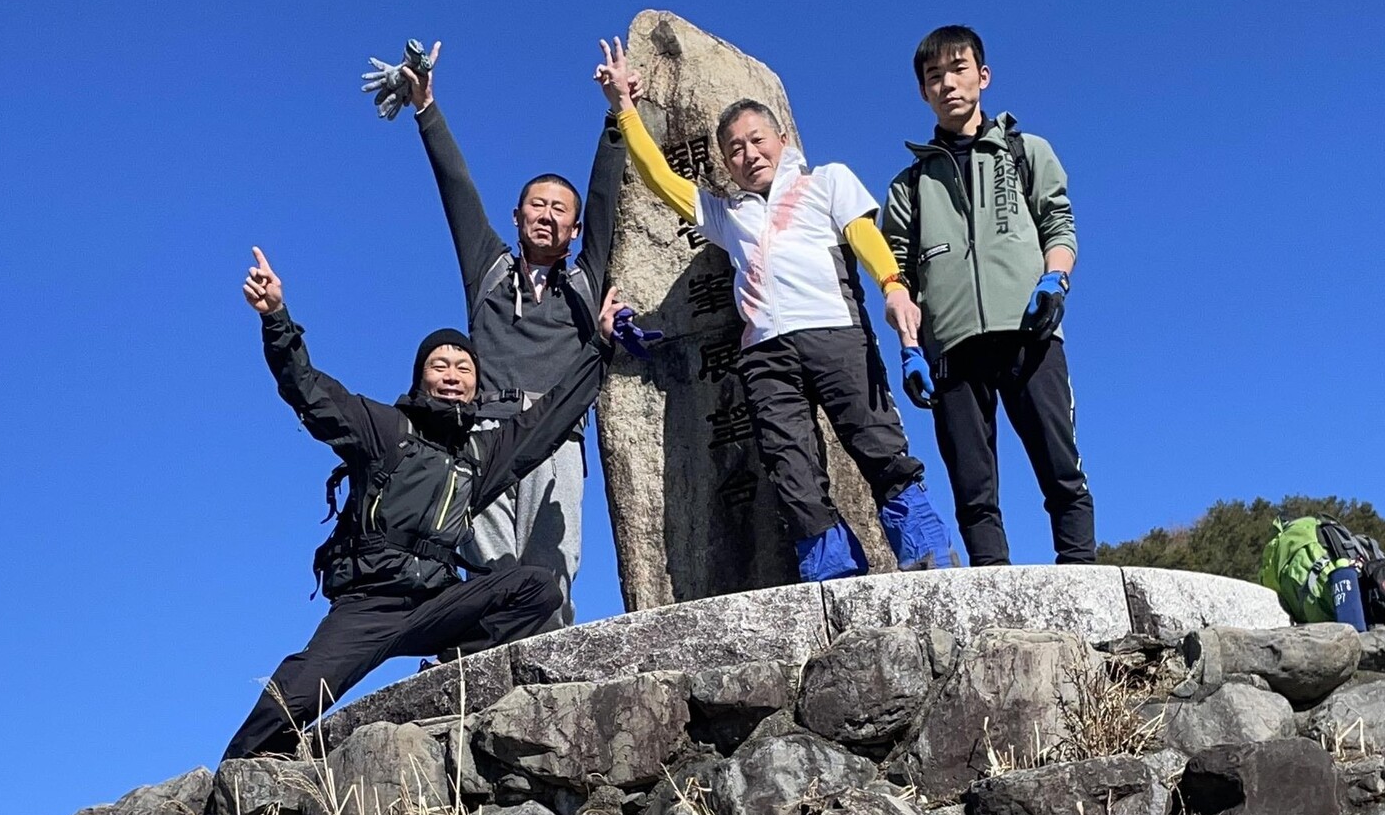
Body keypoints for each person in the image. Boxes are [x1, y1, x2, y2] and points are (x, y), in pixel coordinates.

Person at [222, 248, 621, 760]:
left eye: (464, 367)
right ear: (421, 378)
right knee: (299, 693)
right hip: (371, 603)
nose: (453, 374)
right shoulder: (384, 429)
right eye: (440, 365)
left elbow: (550, 418)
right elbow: (308, 389)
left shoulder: (482, 453)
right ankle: (233, 776)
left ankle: (455, 665)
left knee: (536, 588)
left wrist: (600, 345)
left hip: (435, 600)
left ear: (477, 385)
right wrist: (276, 318)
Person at [594, 37, 955, 583]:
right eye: (735, 149)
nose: (749, 154)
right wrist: (624, 107)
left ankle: (925, 551)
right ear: (726, 162)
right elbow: (660, 178)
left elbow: (864, 235)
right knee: (790, 465)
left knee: (876, 441)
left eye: (757, 140)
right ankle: (832, 571)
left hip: (835, 332)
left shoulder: (826, 181)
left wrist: (892, 286)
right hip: (764, 353)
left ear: (781, 139)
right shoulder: (725, 215)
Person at [389, 43, 637, 627]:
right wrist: (427, 109)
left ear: (575, 229)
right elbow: (457, 191)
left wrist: (617, 114)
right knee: (490, 568)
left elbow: (606, 197)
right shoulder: (490, 271)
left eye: (559, 210)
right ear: (517, 216)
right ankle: (491, 666)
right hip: (486, 433)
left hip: (557, 435)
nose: (547, 215)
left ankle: (553, 667)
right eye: (536, 205)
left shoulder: (584, 281)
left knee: (552, 569)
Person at [880, 25, 1095, 566]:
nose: (948, 84)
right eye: (934, 76)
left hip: (1030, 331)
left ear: (983, 76)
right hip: (950, 348)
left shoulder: (1025, 151)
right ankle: (991, 585)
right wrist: (910, 347)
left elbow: (1059, 224)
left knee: (1060, 467)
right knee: (972, 490)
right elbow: (896, 275)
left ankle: (1082, 574)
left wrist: (1054, 281)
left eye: (958, 69)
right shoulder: (909, 185)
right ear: (923, 91)